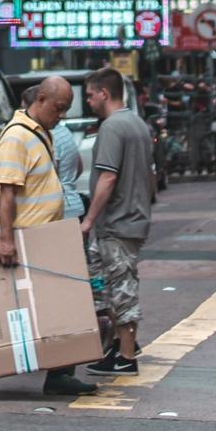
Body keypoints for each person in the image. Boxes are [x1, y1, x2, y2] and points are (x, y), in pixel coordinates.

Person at [0, 74, 94, 397]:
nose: (61, 115)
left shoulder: (40, 133)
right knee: (26, 309)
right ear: (40, 101)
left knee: (58, 306)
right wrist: (7, 240)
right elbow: (6, 191)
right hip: (27, 240)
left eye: (65, 109)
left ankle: (60, 373)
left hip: (45, 239)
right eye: (58, 107)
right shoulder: (16, 137)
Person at [83, 68, 156, 378]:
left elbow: (108, 176)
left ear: (104, 93)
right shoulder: (137, 124)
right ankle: (117, 348)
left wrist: (88, 220)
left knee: (122, 288)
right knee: (111, 287)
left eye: (89, 94)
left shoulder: (113, 127)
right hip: (131, 217)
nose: (87, 101)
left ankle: (126, 356)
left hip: (118, 222)